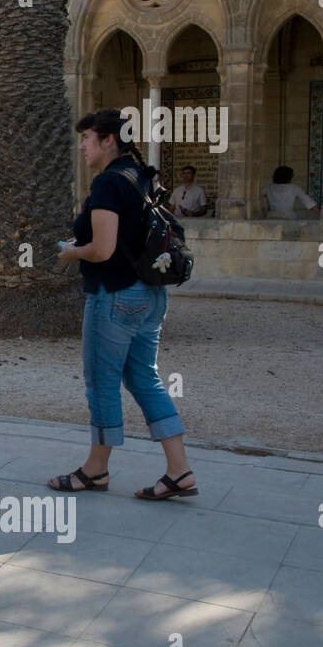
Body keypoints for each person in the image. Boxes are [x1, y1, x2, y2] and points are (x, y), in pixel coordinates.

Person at [52, 109, 197, 502]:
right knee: (144, 378)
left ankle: (95, 470)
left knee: (101, 382)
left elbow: (102, 249)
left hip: (114, 296)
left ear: (108, 141)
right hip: (150, 295)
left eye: (88, 138)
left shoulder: (107, 185)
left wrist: (72, 252)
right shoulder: (142, 175)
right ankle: (179, 470)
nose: (82, 146)